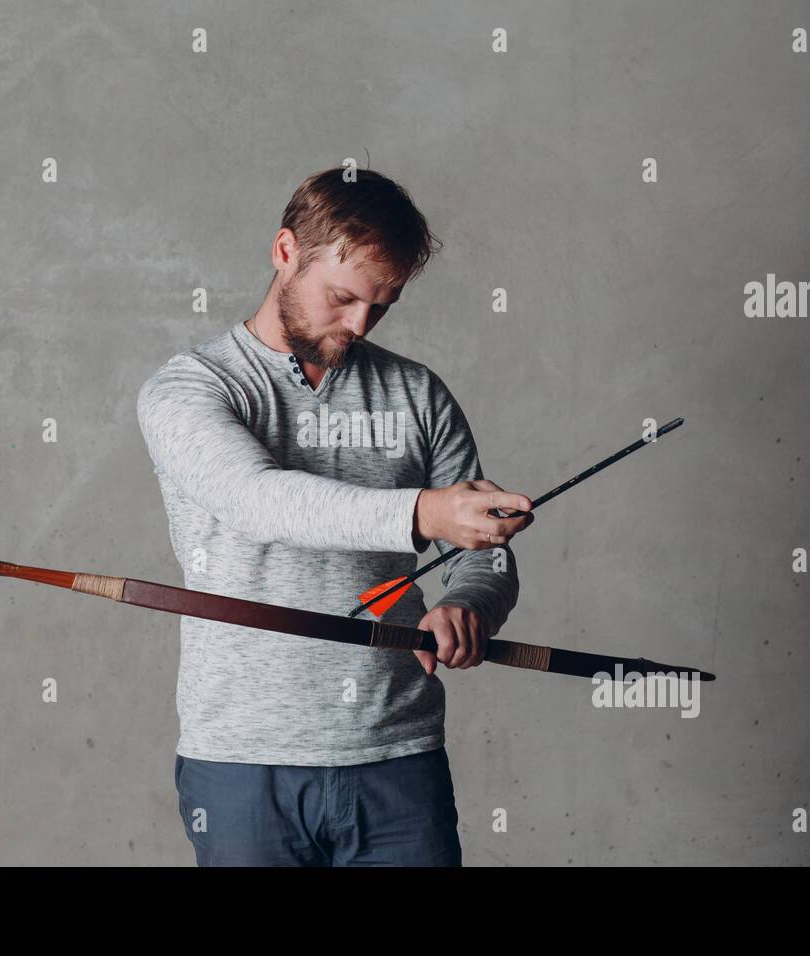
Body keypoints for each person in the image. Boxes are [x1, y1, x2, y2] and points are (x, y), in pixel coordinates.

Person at [136, 167, 534, 866]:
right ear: (286, 252)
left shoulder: (416, 394)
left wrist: (471, 601)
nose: (358, 325)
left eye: (382, 306)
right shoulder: (190, 390)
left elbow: (484, 552)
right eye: (343, 297)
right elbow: (256, 500)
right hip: (241, 758)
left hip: (395, 752)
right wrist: (425, 513)